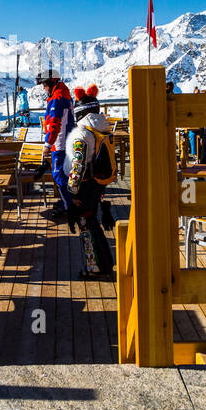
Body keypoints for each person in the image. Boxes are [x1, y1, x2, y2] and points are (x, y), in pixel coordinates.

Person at [63, 86, 117, 278]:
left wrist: (71, 190)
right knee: (93, 223)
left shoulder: (82, 134)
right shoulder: (102, 129)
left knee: (86, 225)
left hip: (84, 186)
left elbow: (77, 165)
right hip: (97, 184)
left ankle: (94, 267)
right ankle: (105, 262)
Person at [40, 72, 76, 217]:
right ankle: (67, 201)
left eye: (44, 85)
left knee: (58, 174)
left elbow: (55, 124)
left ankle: (69, 206)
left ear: (51, 84)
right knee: (65, 173)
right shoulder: (65, 95)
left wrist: (48, 144)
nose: (43, 88)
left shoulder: (57, 98)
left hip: (59, 142)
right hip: (67, 140)